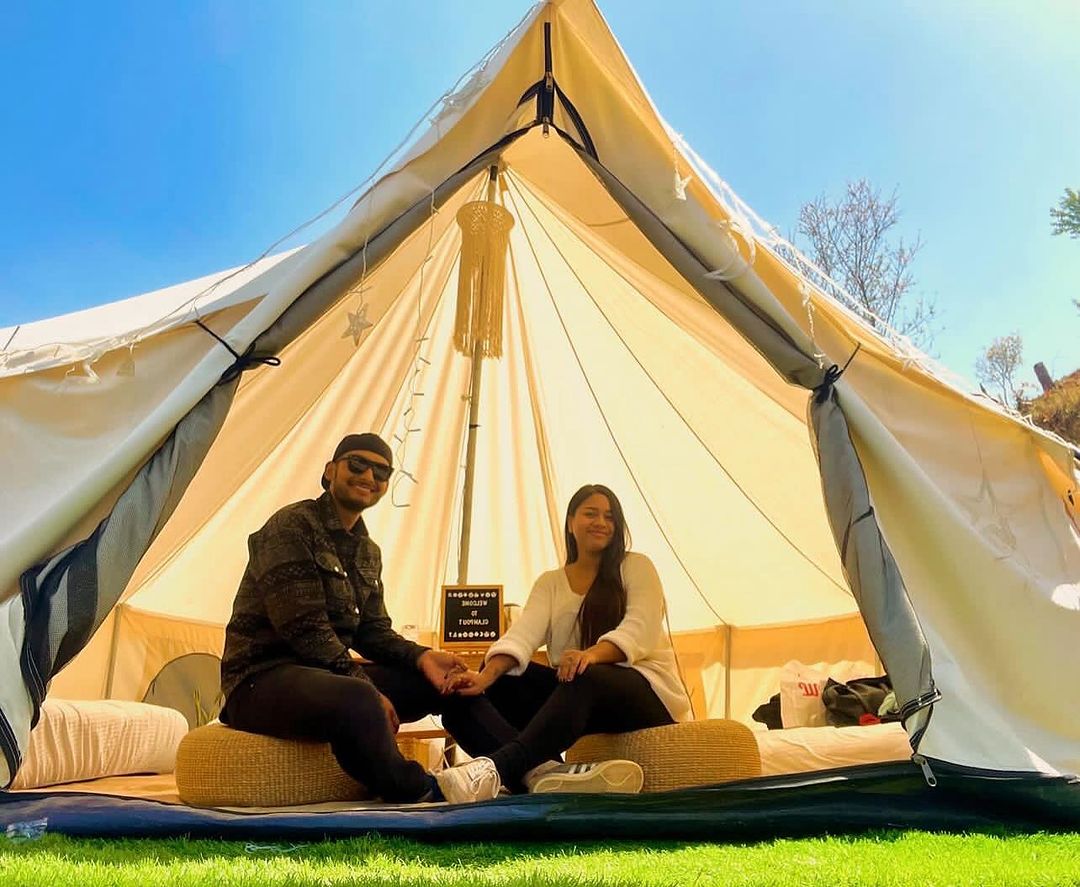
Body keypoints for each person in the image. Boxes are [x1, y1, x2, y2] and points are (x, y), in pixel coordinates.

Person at [219, 433, 513, 804]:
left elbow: (373, 632)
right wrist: (369, 689)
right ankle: (425, 789)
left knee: (446, 683)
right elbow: (305, 631)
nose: (369, 476)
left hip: (326, 677)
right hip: (259, 681)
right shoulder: (290, 526)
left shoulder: (367, 551)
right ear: (330, 471)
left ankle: (524, 767)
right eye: (357, 464)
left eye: (381, 471)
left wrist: (422, 656)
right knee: (358, 696)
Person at [447, 484, 692, 795]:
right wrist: (484, 677)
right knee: (485, 687)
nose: (601, 522)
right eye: (591, 514)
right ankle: (546, 774)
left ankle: (492, 771)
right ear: (571, 522)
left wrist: (591, 655)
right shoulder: (550, 583)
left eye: (610, 517)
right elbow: (522, 635)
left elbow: (639, 628)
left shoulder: (635, 566)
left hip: (645, 695)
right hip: (580, 696)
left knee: (584, 674)